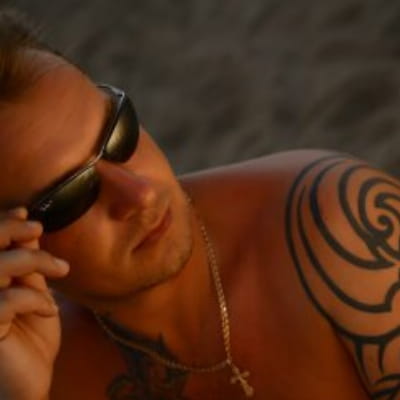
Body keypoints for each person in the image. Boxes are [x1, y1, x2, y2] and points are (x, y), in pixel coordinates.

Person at [0, 8, 396, 400]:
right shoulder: (33, 365)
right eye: (72, 194)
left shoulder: (338, 230)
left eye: (119, 130)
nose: (140, 194)